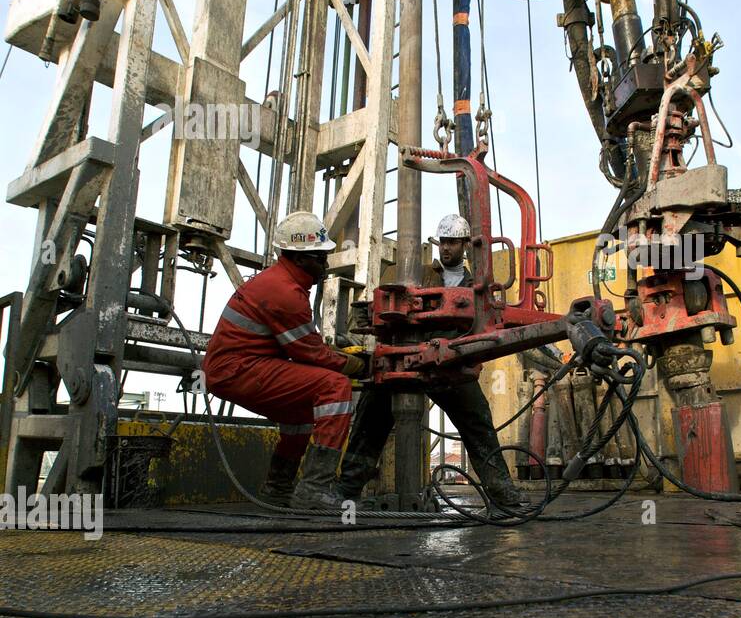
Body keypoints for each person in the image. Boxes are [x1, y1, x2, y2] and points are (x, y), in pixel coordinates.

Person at [340, 213, 524, 510]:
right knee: (370, 417)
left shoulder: (476, 285)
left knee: (478, 421)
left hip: (449, 364)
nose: (446, 248)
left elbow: (484, 328)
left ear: (465, 245)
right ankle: (346, 491)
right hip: (406, 359)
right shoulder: (419, 273)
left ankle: (503, 494)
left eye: (452, 242)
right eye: (443, 242)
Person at [202, 211, 367, 509]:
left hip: (238, 368)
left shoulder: (282, 283)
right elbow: (309, 353)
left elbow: (305, 348)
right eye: (320, 258)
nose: (325, 265)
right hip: (238, 370)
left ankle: (278, 488)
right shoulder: (285, 292)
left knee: (301, 412)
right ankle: (314, 489)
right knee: (335, 387)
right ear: (300, 258)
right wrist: (359, 365)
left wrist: (340, 356)